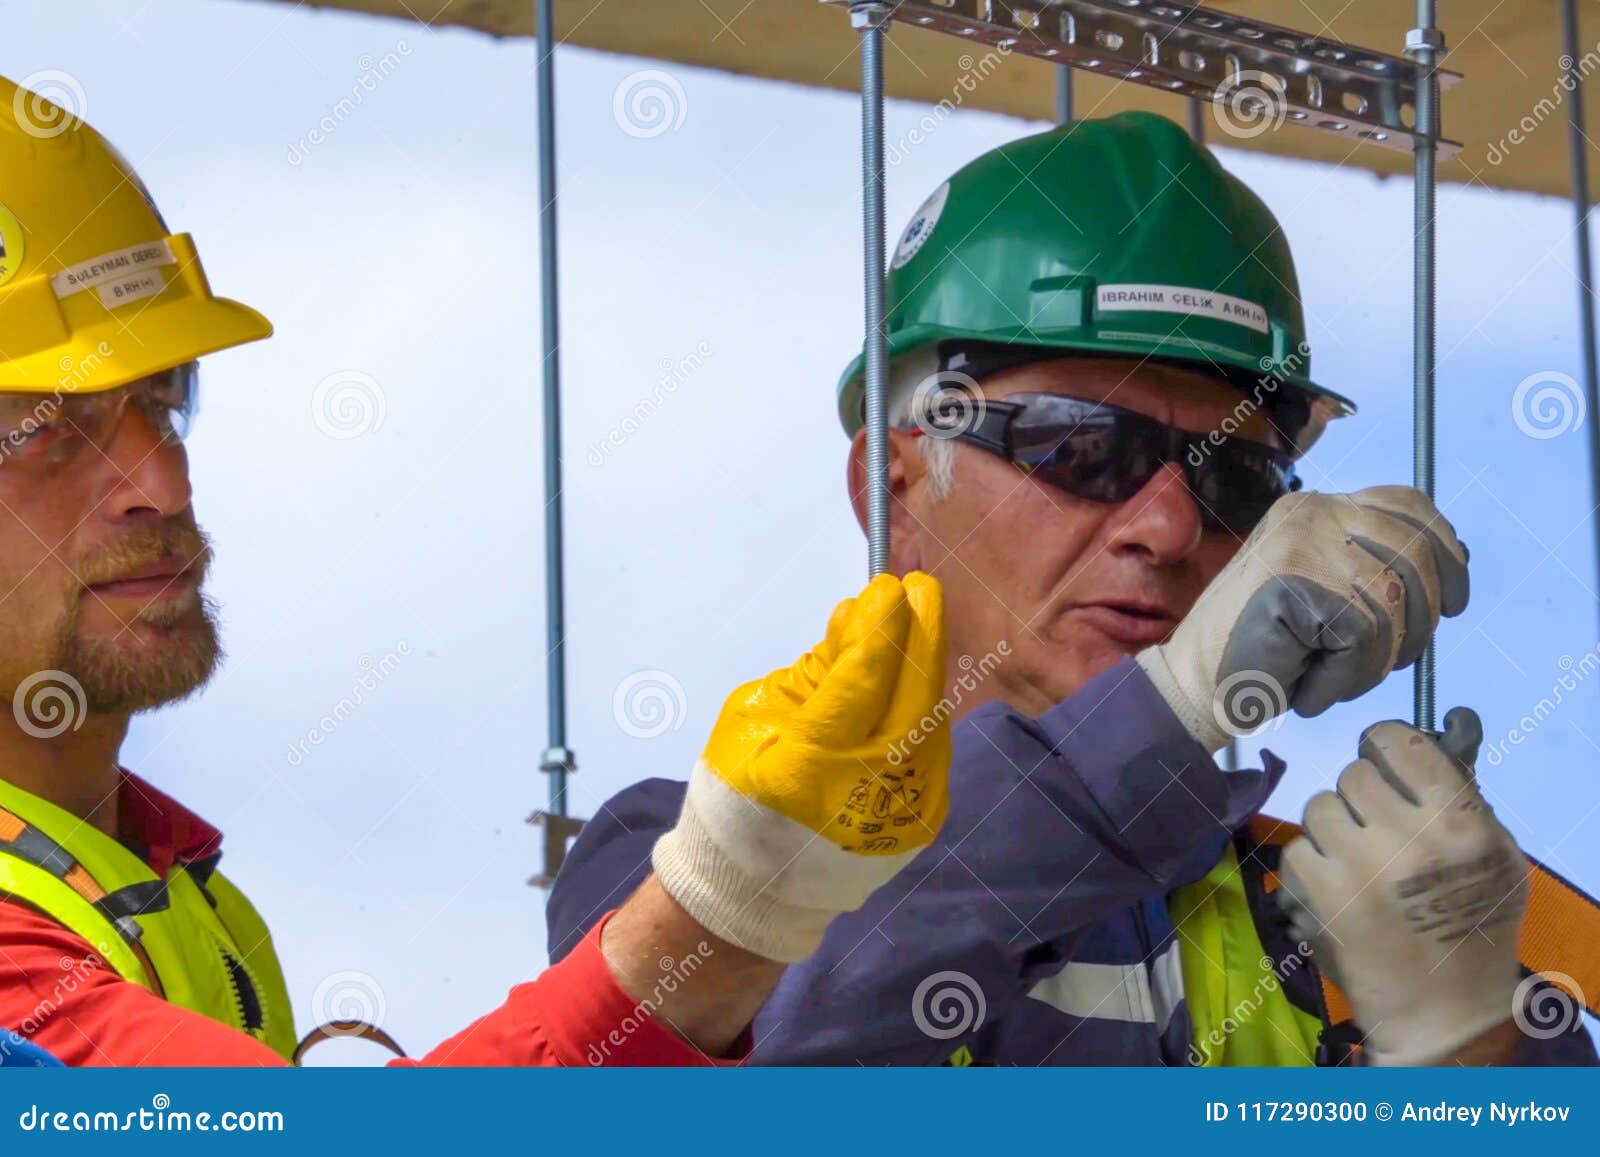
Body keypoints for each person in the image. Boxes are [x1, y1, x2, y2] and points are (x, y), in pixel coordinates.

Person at [549, 113, 1599, 1066]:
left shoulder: (1343, 926)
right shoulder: (678, 869)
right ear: (896, 487)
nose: (1169, 526)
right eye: (1080, 446)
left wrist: (1470, 1044)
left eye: (1232, 474)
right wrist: (1171, 710)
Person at [0, 73, 953, 1066]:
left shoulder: (169, 890)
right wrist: (730, 894)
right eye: (47, 431)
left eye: (160, 401)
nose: (160, 477)